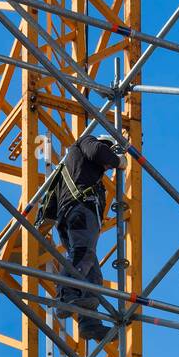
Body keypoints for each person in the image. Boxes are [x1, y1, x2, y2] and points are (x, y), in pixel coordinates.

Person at [42, 132, 125, 344]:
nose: (106, 167)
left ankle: (89, 324)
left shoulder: (74, 167)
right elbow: (97, 151)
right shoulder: (87, 143)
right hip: (80, 210)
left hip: (70, 215)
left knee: (93, 274)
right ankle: (66, 294)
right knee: (83, 254)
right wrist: (118, 161)